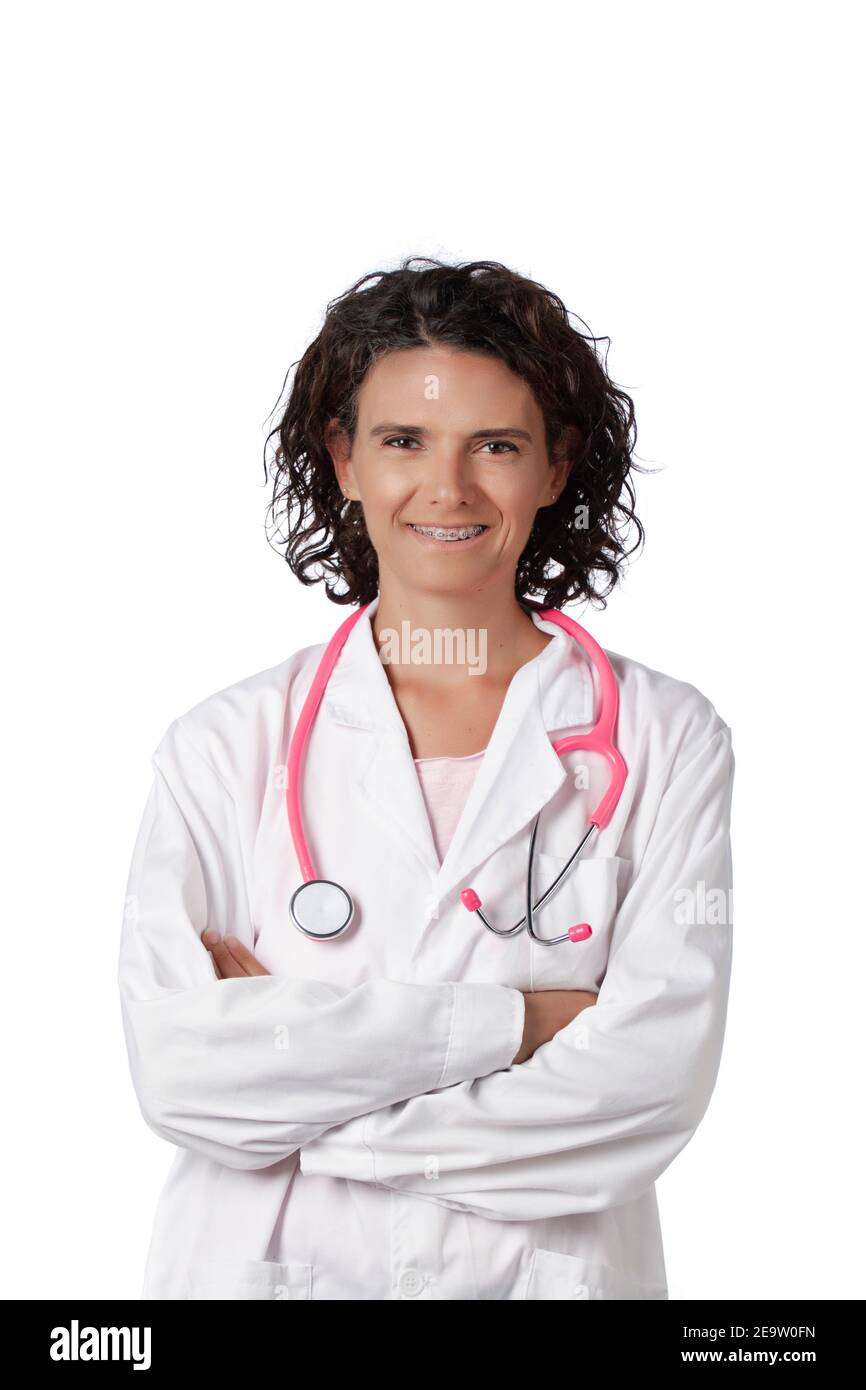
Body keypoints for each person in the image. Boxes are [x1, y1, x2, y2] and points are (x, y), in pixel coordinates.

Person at [118, 256, 734, 1301]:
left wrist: (313, 1102)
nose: (446, 488)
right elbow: (183, 1074)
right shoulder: (223, 745)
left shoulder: (667, 738)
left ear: (553, 467)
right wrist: (521, 1025)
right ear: (343, 459)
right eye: (404, 440)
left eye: (494, 445)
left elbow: (645, 1086)